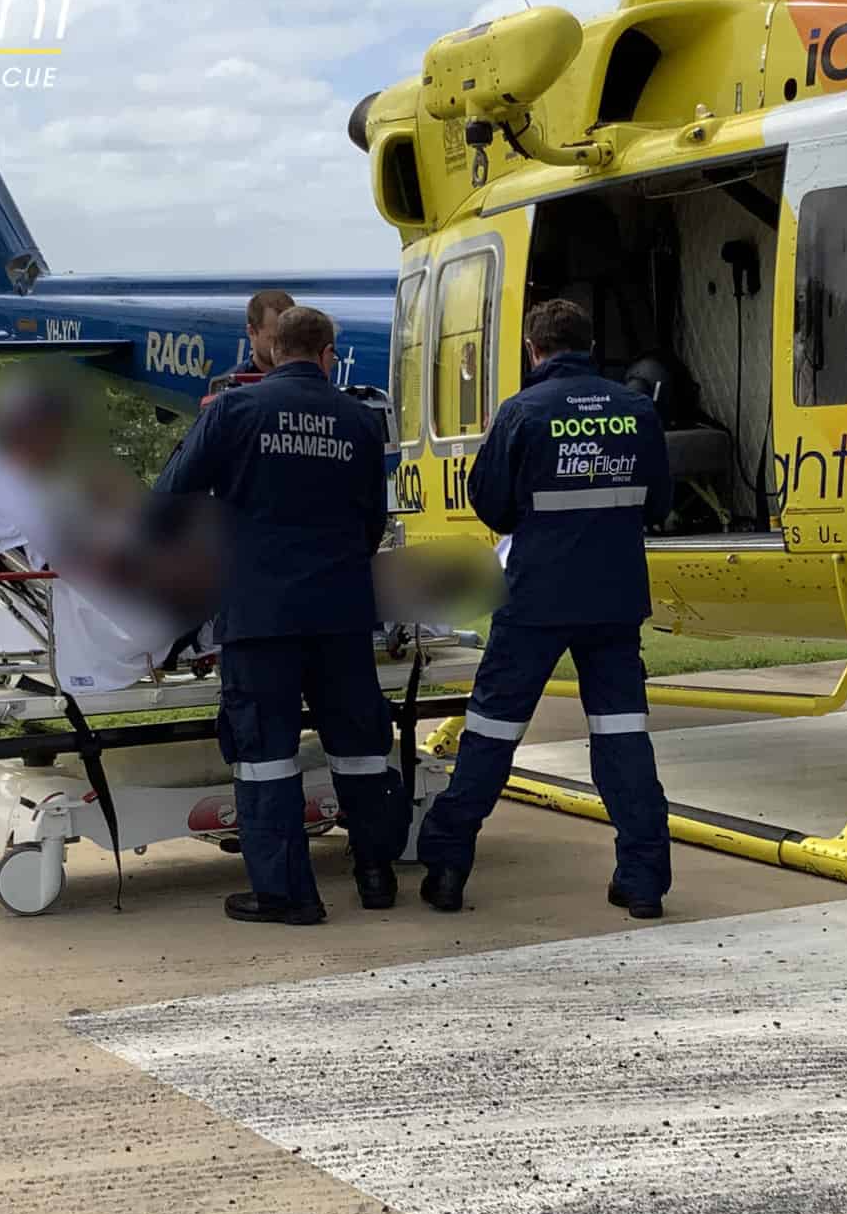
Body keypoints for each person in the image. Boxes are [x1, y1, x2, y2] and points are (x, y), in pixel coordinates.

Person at [416, 298, 674, 917]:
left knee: (491, 736)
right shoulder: (638, 410)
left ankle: (447, 869)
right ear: (590, 344)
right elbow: (660, 503)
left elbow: (492, 504)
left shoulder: (522, 412)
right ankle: (642, 883)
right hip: (613, 601)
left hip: (534, 599)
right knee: (622, 739)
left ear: (534, 350)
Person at [154, 303, 404, 924]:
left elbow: (170, 497)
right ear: (327, 355)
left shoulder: (235, 412)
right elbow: (375, 517)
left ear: (270, 351)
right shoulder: (360, 421)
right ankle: (376, 874)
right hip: (342, 611)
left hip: (260, 614)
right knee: (361, 749)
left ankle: (288, 894)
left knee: (265, 753)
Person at [236, 288, 295, 378]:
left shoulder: (311, 381)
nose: (284, 347)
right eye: (275, 339)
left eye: (289, 338)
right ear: (251, 332)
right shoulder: (234, 384)